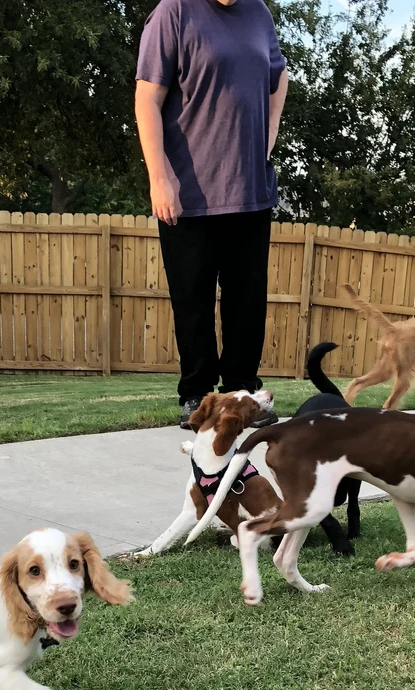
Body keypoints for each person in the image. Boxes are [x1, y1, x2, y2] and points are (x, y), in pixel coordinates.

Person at [135, 0, 288, 429]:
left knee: (247, 302)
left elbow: (279, 78)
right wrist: (159, 177)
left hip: (250, 189)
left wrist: (269, 134)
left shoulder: (258, 13)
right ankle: (197, 397)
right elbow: (146, 99)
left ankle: (243, 392)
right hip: (188, 192)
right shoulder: (174, 12)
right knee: (193, 301)